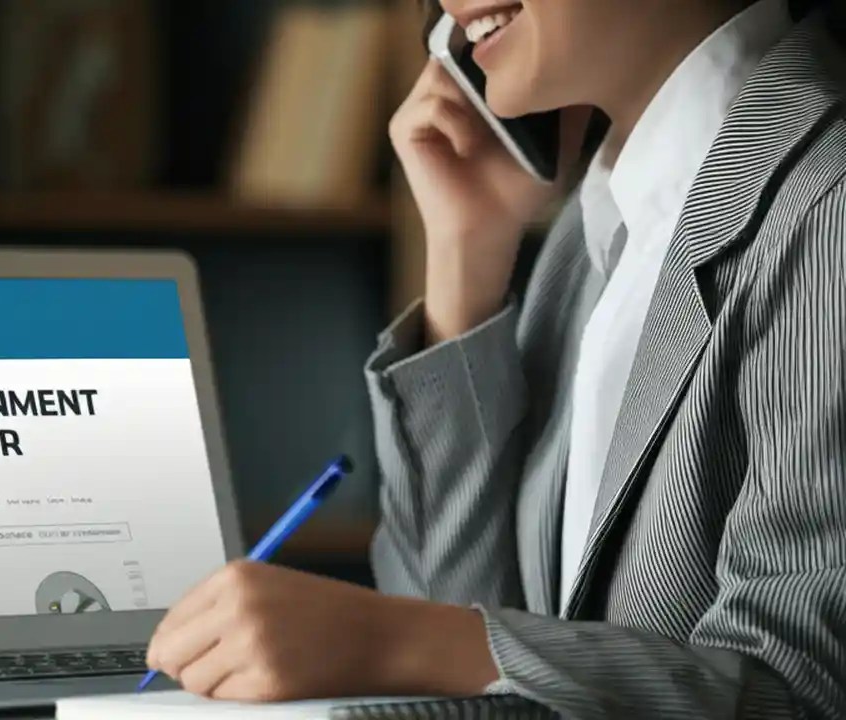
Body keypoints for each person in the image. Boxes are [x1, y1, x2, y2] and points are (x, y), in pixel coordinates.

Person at [143, 0, 846, 717]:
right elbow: (458, 649)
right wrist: (463, 257)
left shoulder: (828, 206)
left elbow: (804, 693)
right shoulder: (594, 233)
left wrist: (390, 643)